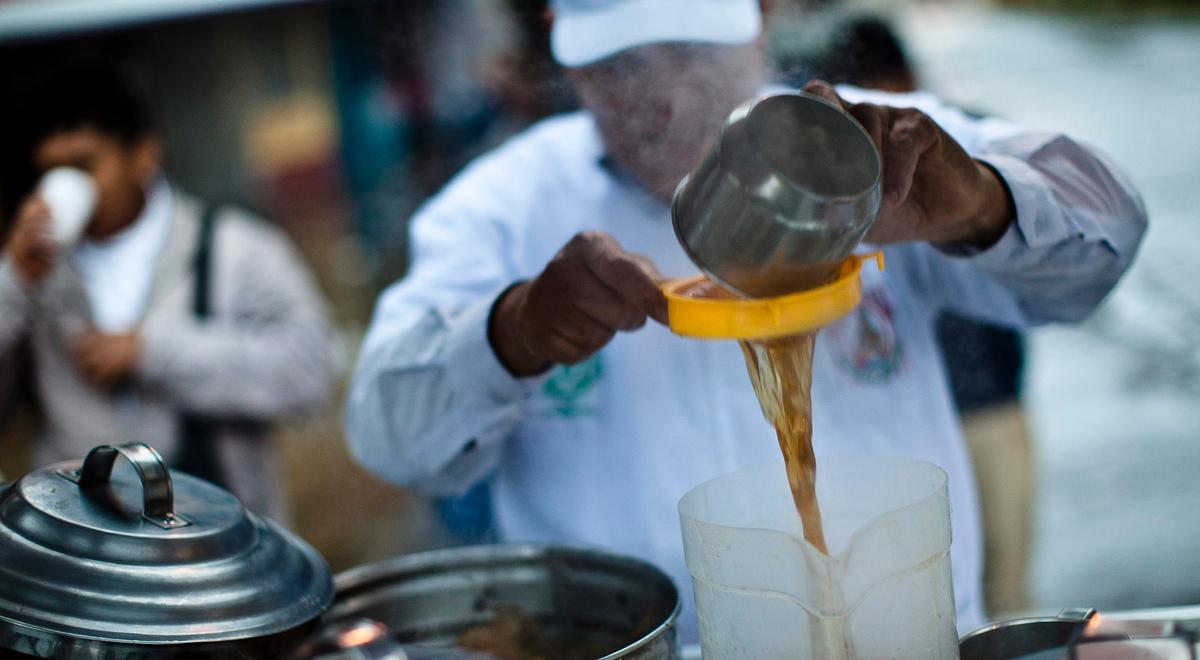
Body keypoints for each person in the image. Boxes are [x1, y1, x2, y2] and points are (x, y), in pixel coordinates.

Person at [345, 0, 1146, 639]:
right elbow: (387, 436)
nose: (663, 98)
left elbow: (1109, 239)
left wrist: (982, 202)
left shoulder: (870, 148)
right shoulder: (504, 209)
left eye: (692, 52)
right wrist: (511, 332)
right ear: (567, 54)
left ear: (762, 19)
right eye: (619, 64)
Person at [0, 62, 335, 520]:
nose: (62, 188)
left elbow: (310, 369)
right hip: (81, 545)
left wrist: (151, 352)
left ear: (143, 154)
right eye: (50, 173)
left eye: (83, 166)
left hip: (219, 535)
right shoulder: (35, 272)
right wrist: (12, 282)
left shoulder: (234, 248)